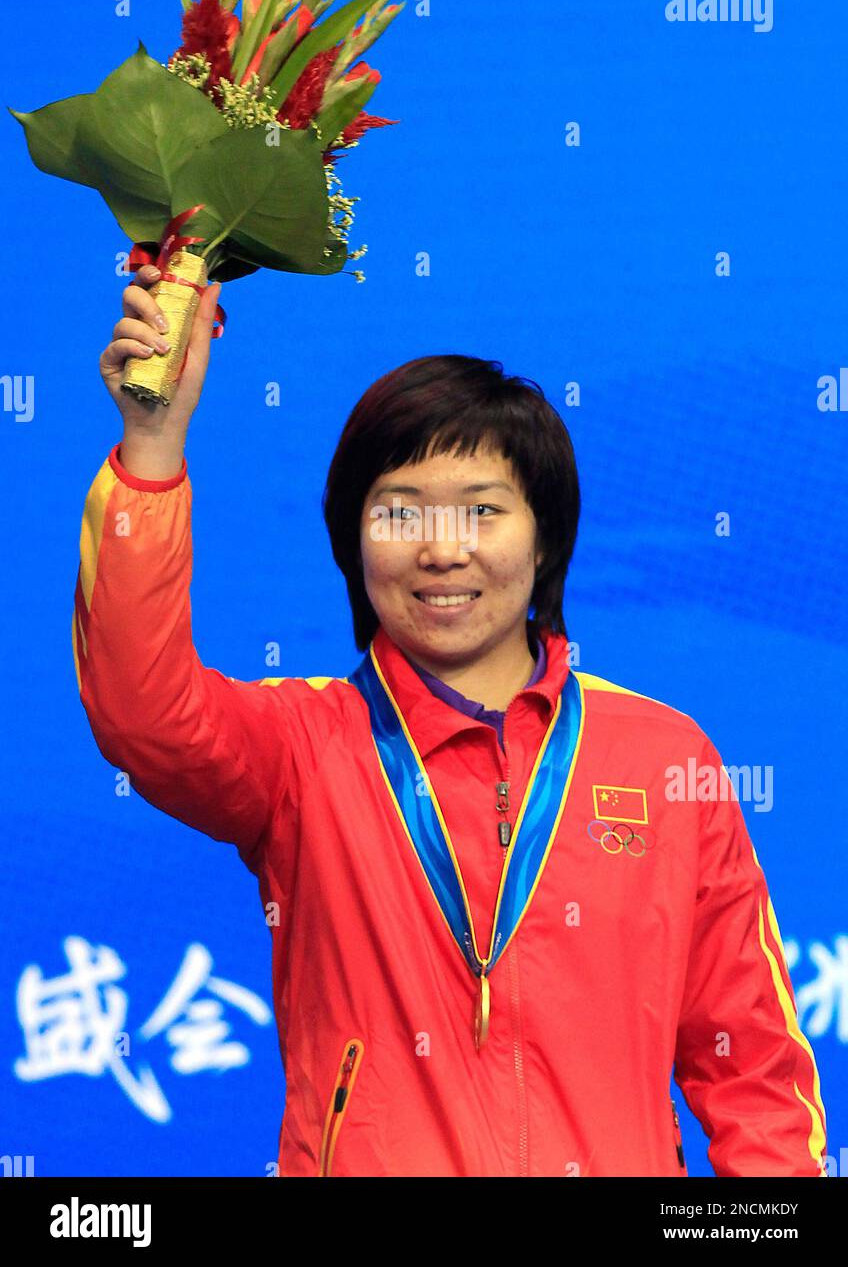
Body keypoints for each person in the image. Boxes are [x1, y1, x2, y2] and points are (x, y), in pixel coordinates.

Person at [73, 265, 828, 1177]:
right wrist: (153, 439)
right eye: (399, 512)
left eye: (483, 510)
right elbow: (140, 710)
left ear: (544, 537)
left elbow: (753, 1066)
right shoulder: (301, 750)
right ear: (352, 541)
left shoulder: (665, 757)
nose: (441, 548)